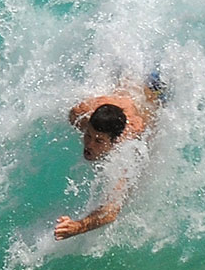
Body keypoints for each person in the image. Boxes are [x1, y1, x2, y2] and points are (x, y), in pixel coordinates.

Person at [54, 76, 162, 239]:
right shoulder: (81, 117)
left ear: (115, 140)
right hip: (128, 91)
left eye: (99, 141)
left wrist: (78, 227)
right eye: (88, 136)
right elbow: (76, 113)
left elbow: (111, 212)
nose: (89, 144)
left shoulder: (128, 147)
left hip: (155, 92)